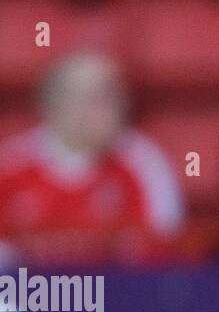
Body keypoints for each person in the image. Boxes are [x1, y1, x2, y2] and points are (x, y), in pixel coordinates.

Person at [0, 51, 184, 240]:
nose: (107, 109)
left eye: (112, 98)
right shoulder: (10, 166)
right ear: (52, 104)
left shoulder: (145, 165)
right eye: (92, 98)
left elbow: (162, 245)